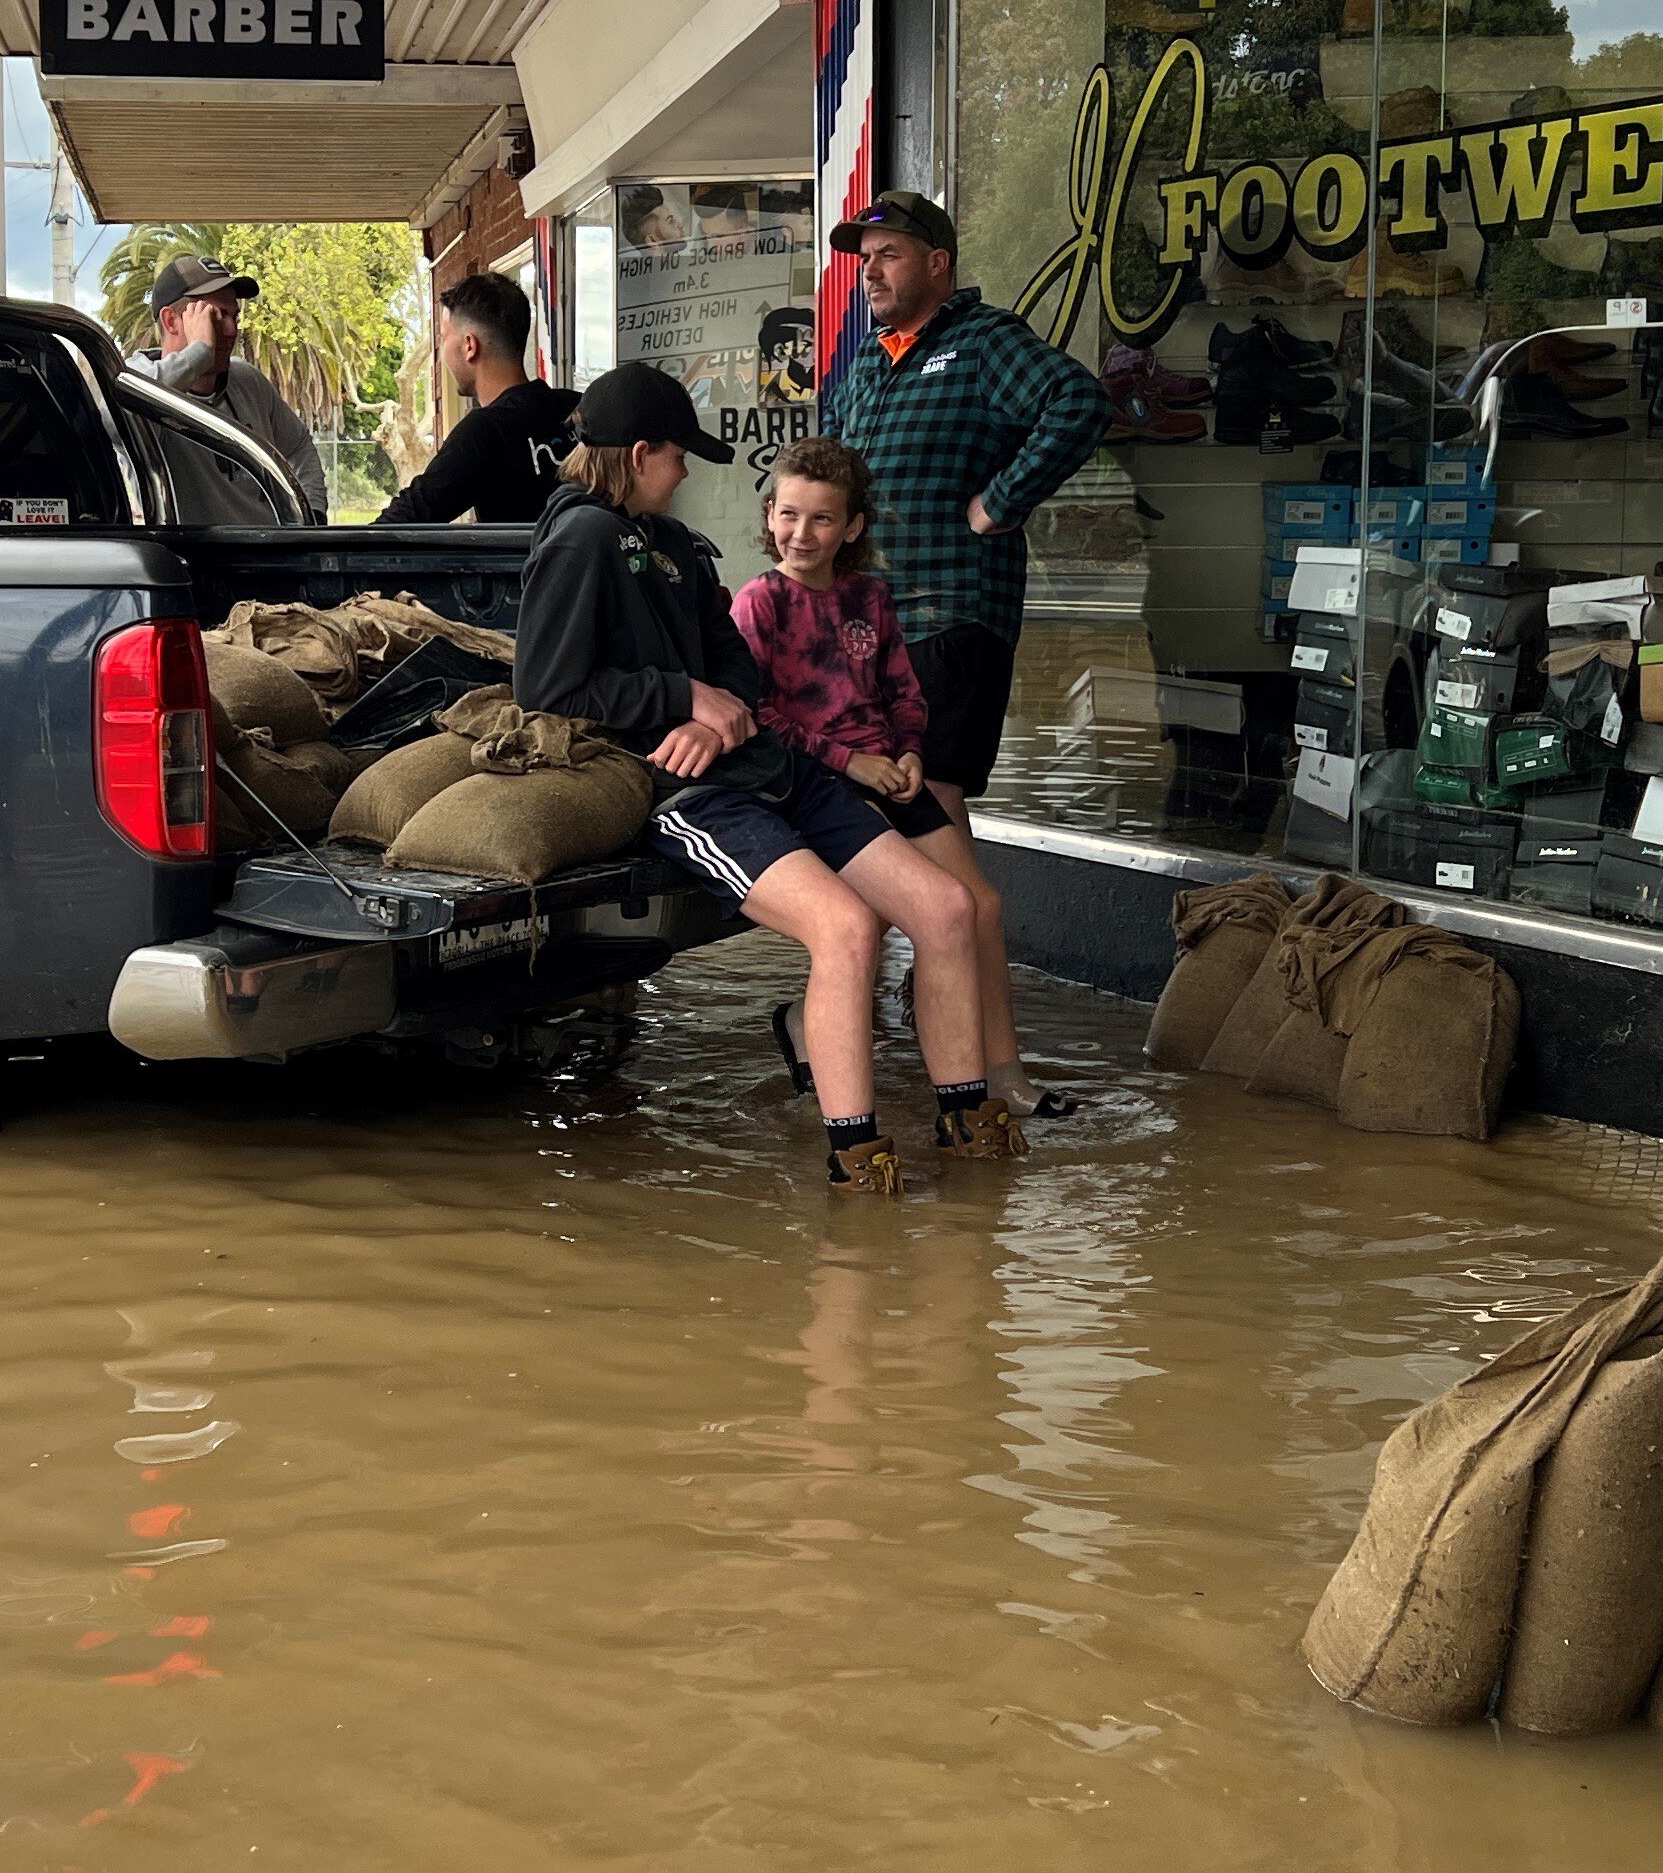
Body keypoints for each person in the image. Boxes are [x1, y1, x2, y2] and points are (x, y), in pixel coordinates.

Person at [515, 362, 1019, 1195]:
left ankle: (971, 1129)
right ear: (641, 454)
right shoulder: (578, 540)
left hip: (769, 767)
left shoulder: (672, 543)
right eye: (680, 457)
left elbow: (738, 673)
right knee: (848, 928)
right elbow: (546, 686)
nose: (687, 473)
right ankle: (860, 1165)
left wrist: (716, 707)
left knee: (950, 907)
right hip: (691, 791)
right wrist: (682, 701)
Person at [817, 190, 1109, 1106]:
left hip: (948, 628)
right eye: (864, 258)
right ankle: (902, 1035)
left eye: (890, 254)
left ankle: (998, 1071)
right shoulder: (865, 366)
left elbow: (1078, 401)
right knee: (899, 847)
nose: (871, 271)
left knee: (943, 853)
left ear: (937, 262)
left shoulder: (982, 342)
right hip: (868, 638)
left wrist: (1001, 502)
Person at [728, 440, 1062, 1121]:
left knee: (979, 907)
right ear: (769, 517)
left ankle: (993, 1077)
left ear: (852, 527)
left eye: (823, 519)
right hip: (816, 781)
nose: (802, 533)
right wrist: (853, 763)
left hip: (888, 774)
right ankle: (929, 1081)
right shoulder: (759, 604)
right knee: (900, 914)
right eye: (789, 515)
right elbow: (755, 716)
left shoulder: (869, 597)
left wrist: (909, 752)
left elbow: (902, 692)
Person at [375, 270, 574, 524]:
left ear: (469, 346)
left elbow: (401, 524)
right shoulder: (579, 408)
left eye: (444, 338)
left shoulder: (485, 432)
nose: (442, 351)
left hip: (529, 565)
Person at [137, 251, 327, 516]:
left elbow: (298, 446)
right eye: (215, 316)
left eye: (234, 317)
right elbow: (113, 423)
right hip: (195, 556)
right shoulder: (138, 381)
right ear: (172, 321)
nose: (231, 330)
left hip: (270, 551)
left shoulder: (247, 381)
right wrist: (198, 353)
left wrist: (311, 515)